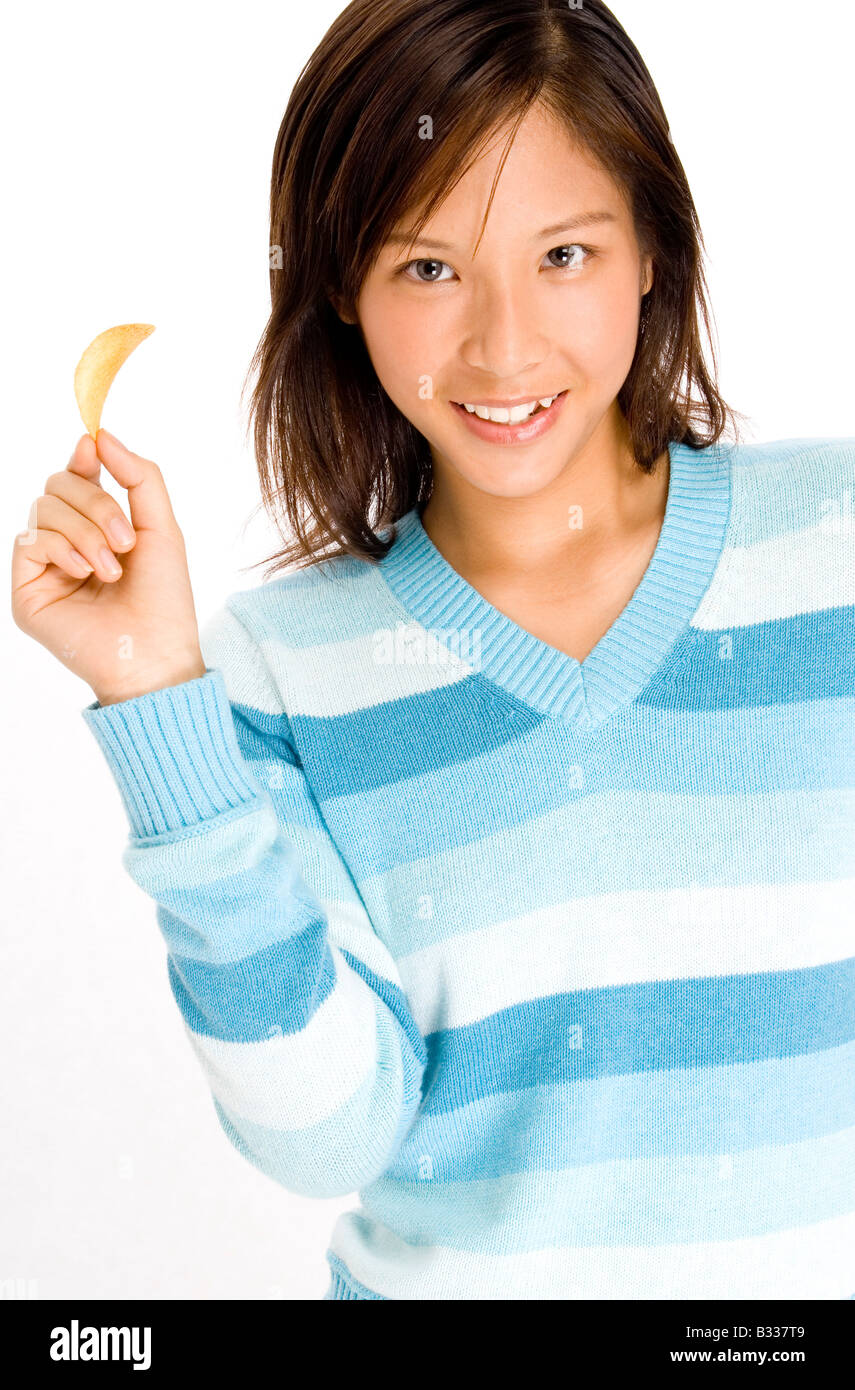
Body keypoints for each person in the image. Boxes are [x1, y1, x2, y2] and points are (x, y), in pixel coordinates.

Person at [11, 0, 855, 1301]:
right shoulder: (282, 671)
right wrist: (159, 703)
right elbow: (324, 1134)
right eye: (427, 267)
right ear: (342, 290)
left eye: (564, 254)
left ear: (651, 252)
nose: (504, 342)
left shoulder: (835, 546)